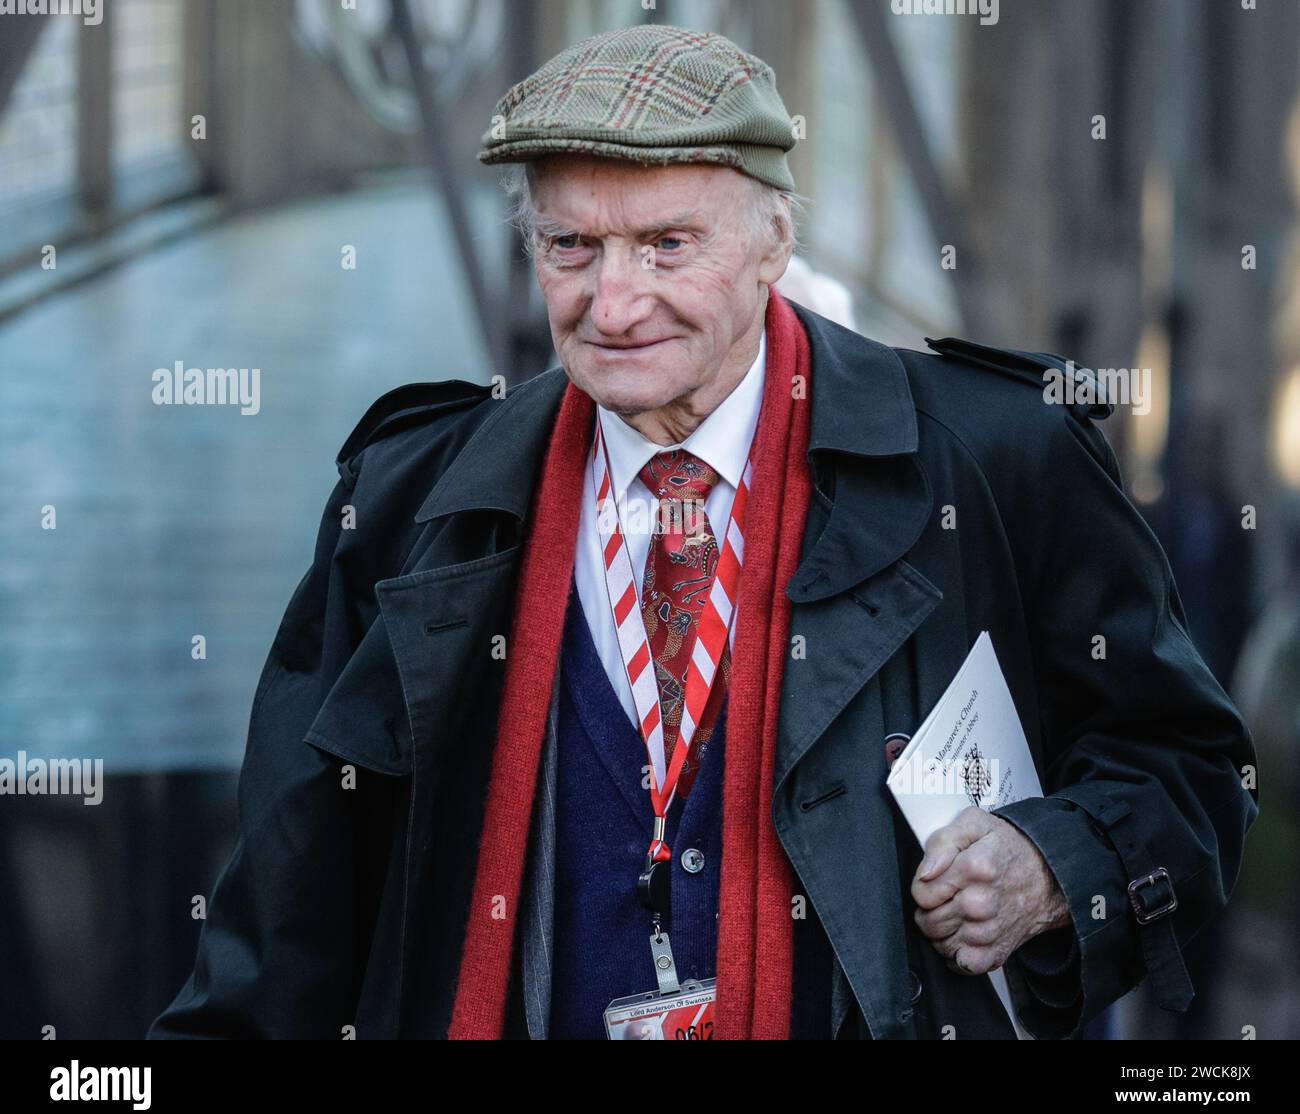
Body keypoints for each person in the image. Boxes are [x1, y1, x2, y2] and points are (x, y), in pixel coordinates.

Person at [150, 24, 1256, 1040]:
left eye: (667, 243)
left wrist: (1052, 863)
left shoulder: (995, 456)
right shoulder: (408, 502)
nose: (614, 302)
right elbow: (287, 905)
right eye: (571, 246)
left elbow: (1189, 766)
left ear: (774, 239)